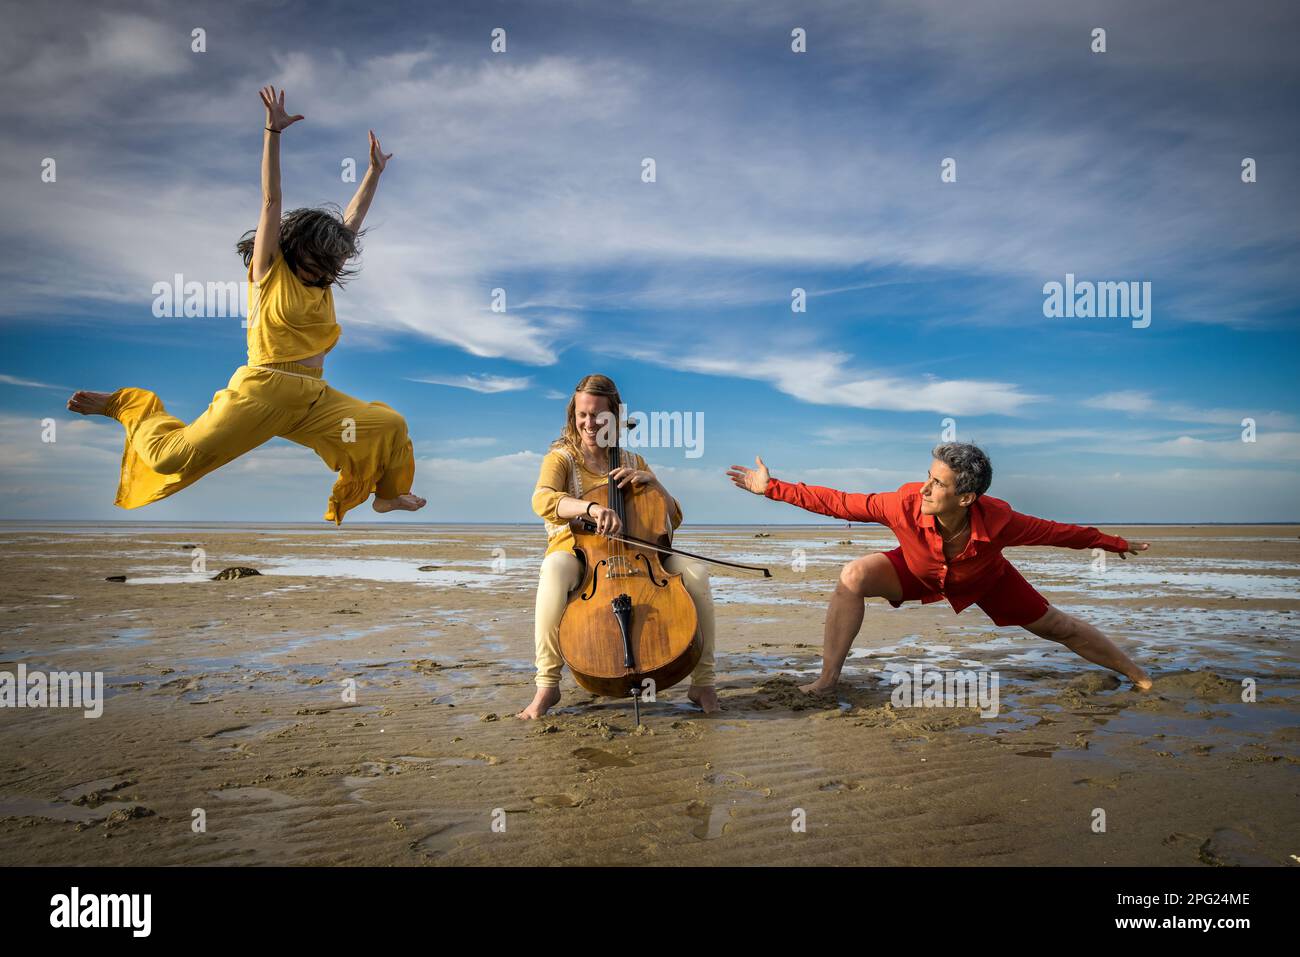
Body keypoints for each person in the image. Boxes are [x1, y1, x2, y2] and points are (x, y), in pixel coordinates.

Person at [67, 86, 425, 524]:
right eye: (319, 258)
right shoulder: (269, 273)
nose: (326, 267)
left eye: (333, 259)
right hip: (259, 394)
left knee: (389, 425)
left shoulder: (324, 278)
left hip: (311, 399)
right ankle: (130, 405)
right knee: (168, 461)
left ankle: (388, 495)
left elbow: (350, 224)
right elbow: (271, 200)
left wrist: (374, 174)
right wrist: (273, 132)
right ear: (298, 251)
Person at [727, 443, 1153, 692]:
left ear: (966, 497)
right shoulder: (905, 502)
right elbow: (840, 502)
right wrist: (772, 488)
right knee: (853, 574)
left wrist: (1113, 543)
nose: (926, 489)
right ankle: (826, 680)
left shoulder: (1002, 520)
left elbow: (1059, 533)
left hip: (986, 579)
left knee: (1060, 627)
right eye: (927, 477)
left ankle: (1139, 676)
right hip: (914, 571)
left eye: (938, 484)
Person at [517, 374, 720, 718]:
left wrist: (655, 485)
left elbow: (674, 516)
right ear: (573, 415)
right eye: (583, 414)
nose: (589, 423)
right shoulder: (563, 457)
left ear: (614, 417)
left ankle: (704, 682)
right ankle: (547, 685)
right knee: (553, 569)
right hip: (580, 554)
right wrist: (590, 508)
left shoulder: (632, 461)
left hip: (641, 558)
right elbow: (543, 499)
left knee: (697, 573)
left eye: (598, 415)